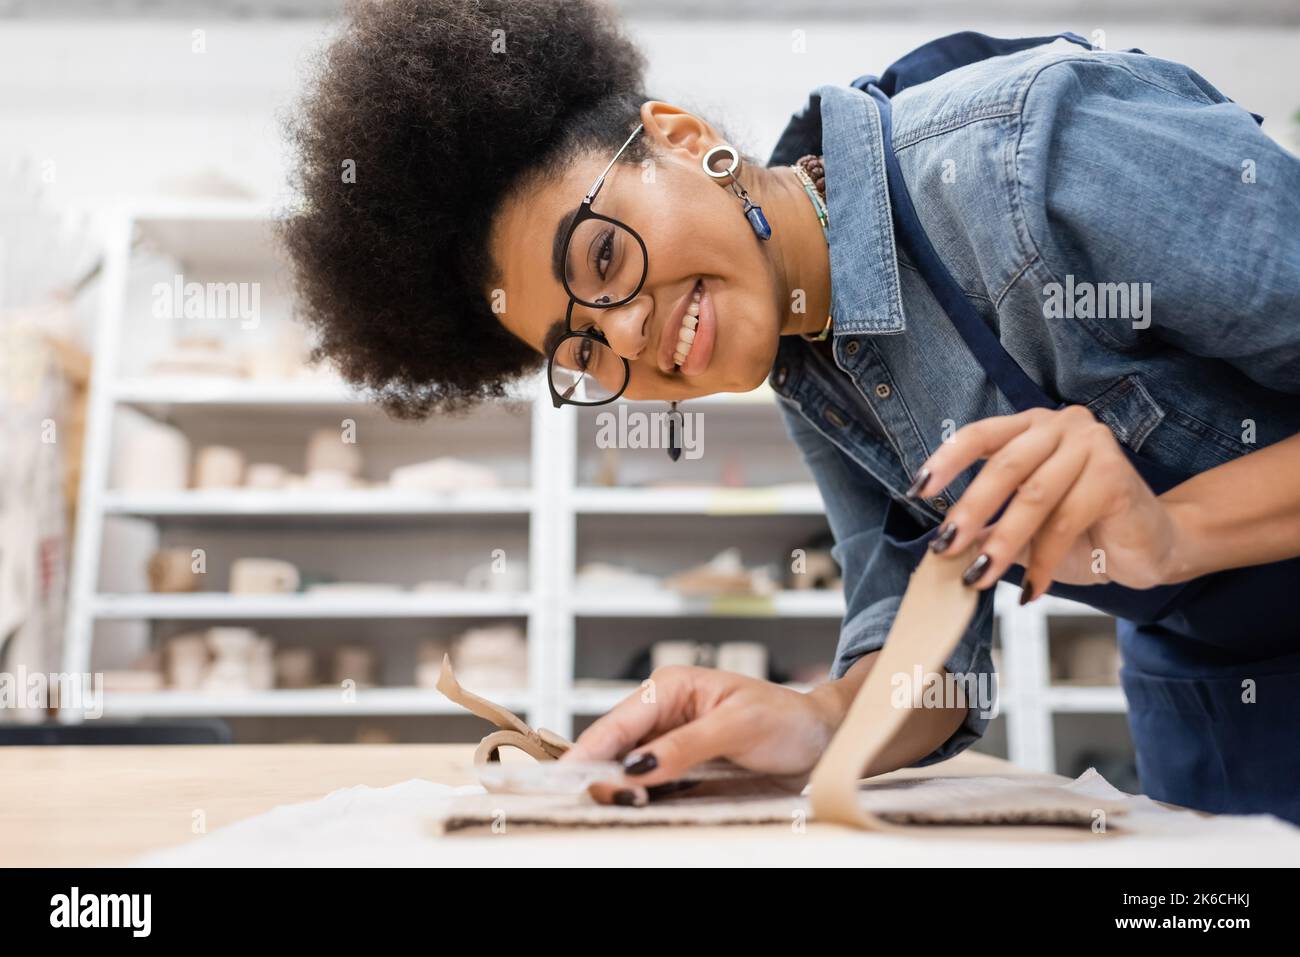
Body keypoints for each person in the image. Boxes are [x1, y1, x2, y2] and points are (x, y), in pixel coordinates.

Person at [281, 0, 1300, 821]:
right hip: (1219, 697)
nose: (629, 333)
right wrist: (809, 720)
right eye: (583, 347)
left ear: (678, 139)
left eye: (601, 256)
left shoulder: (1030, 154)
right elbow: (926, 655)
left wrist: (1175, 533)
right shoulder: (813, 369)